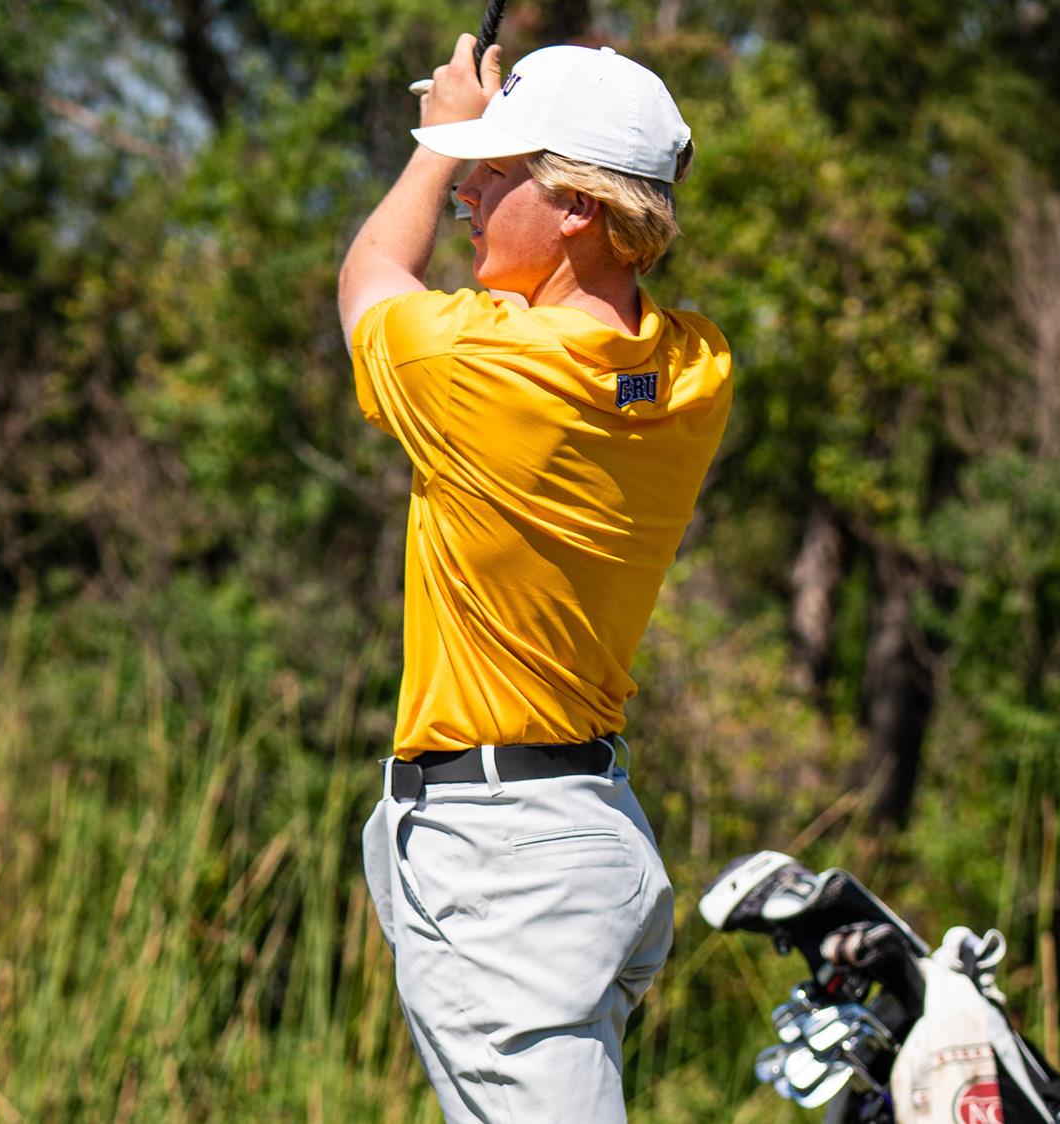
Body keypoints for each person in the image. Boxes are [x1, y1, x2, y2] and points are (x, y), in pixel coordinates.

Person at [337, 31, 733, 1123]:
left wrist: (437, 137)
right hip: (592, 838)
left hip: (504, 858)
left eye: (496, 171)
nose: (467, 191)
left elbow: (369, 274)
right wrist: (482, 139)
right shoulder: (695, 367)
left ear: (577, 209)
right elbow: (594, 333)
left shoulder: (475, 365)